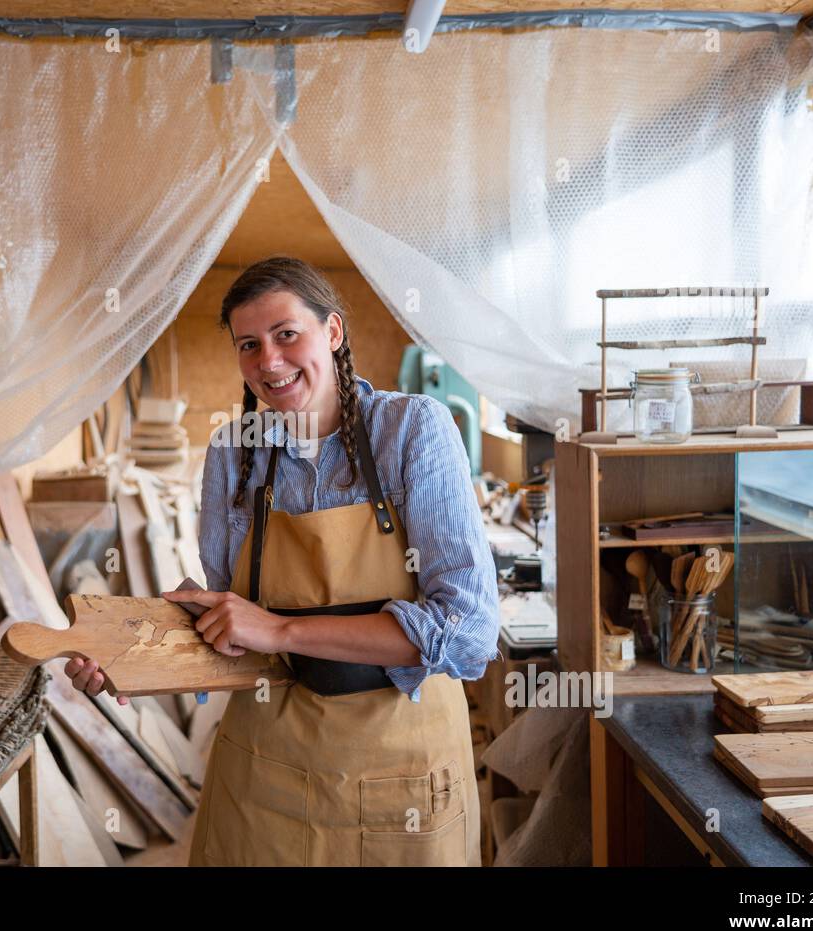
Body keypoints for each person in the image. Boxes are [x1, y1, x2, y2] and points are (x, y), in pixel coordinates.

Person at [65, 256, 500, 865]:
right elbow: (230, 626)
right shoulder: (232, 455)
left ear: (334, 333)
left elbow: (469, 633)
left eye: (286, 334)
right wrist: (136, 659)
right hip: (267, 769)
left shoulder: (411, 432)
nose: (268, 361)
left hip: (398, 766)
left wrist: (283, 629)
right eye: (249, 345)